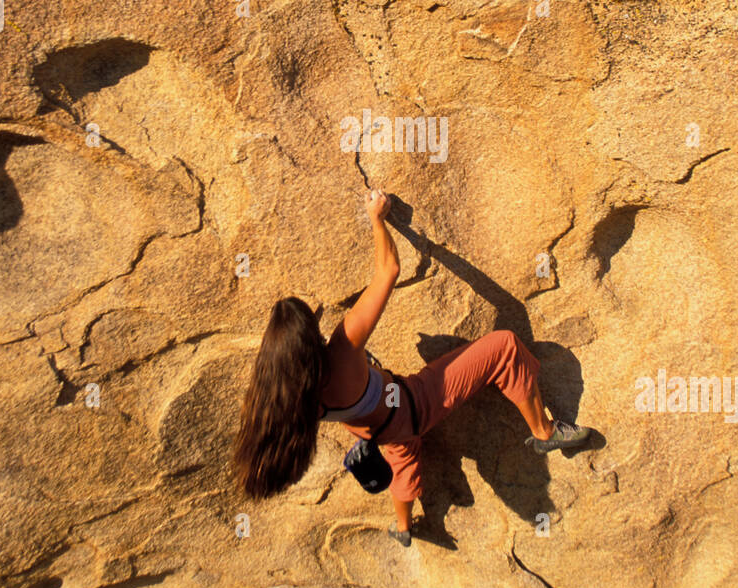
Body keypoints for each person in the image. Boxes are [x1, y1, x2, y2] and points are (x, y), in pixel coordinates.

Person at [232, 189, 590, 545]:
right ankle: (544, 433)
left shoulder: (285, 395)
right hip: (410, 405)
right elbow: (389, 270)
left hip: (370, 429)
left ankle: (402, 528)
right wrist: (377, 218)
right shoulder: (342, 349)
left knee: (402, 461)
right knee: (505, 347)